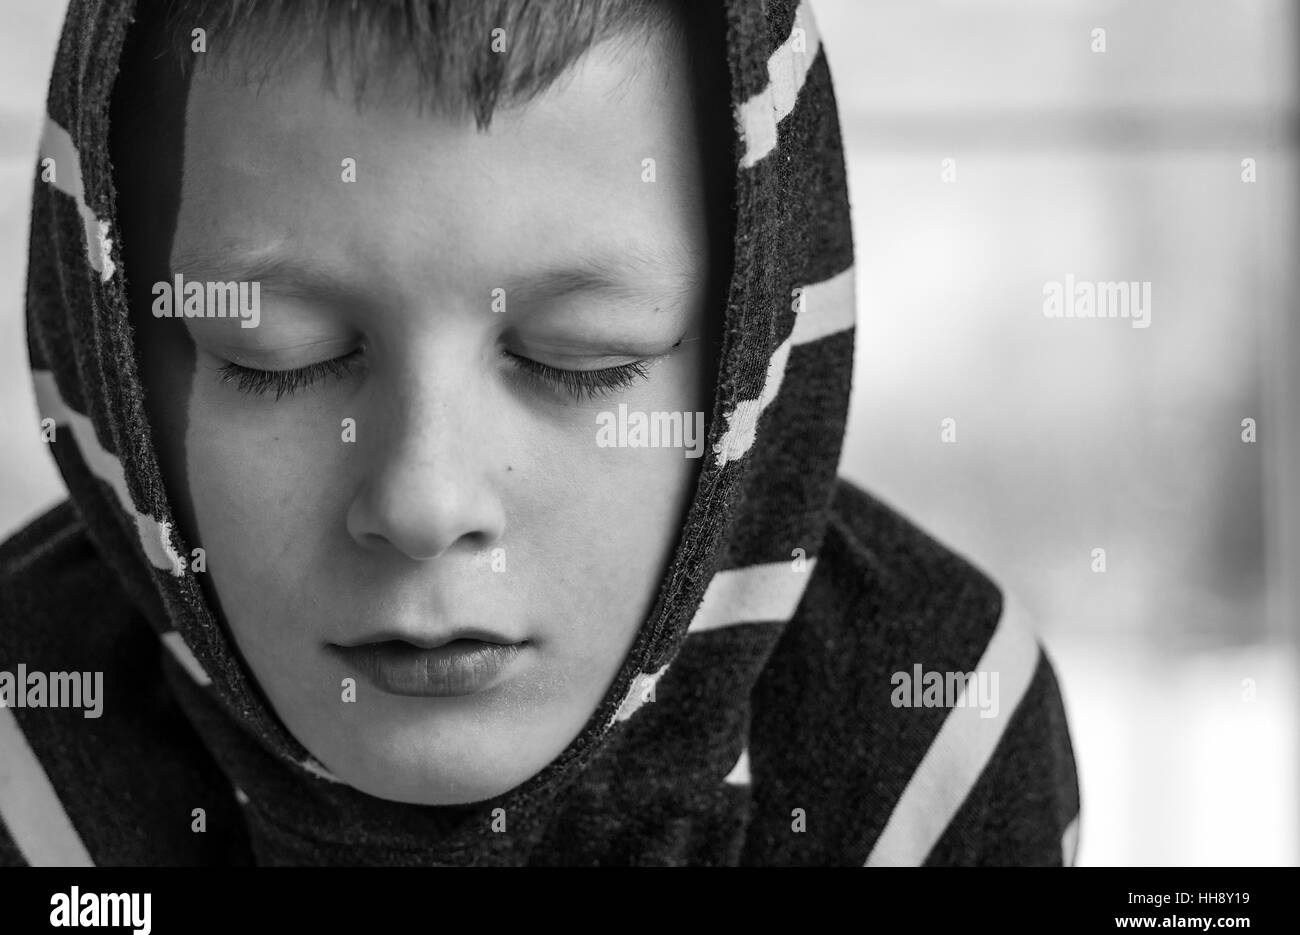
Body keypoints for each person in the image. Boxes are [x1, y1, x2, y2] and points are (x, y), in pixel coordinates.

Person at [0, 0, 1080, 865]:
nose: (427, 502)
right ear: (115, 373)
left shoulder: (931, 733)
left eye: (582, 355)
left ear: (754, 359)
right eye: (282, 353)